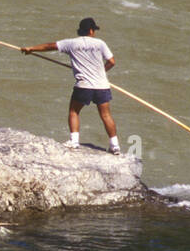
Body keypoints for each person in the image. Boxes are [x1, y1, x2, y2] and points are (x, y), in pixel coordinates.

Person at [22, 17, 121, 154]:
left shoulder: (71, 43)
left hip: (84, 85)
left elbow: (50, 46)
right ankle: (115, 146)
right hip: (102, 86)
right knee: (106, 115)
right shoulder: (100, 44)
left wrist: (31, 49)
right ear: (91, 30)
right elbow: (112, 62)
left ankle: (74, 142)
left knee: (74, 111)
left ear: (81, 31)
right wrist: (101, 72)